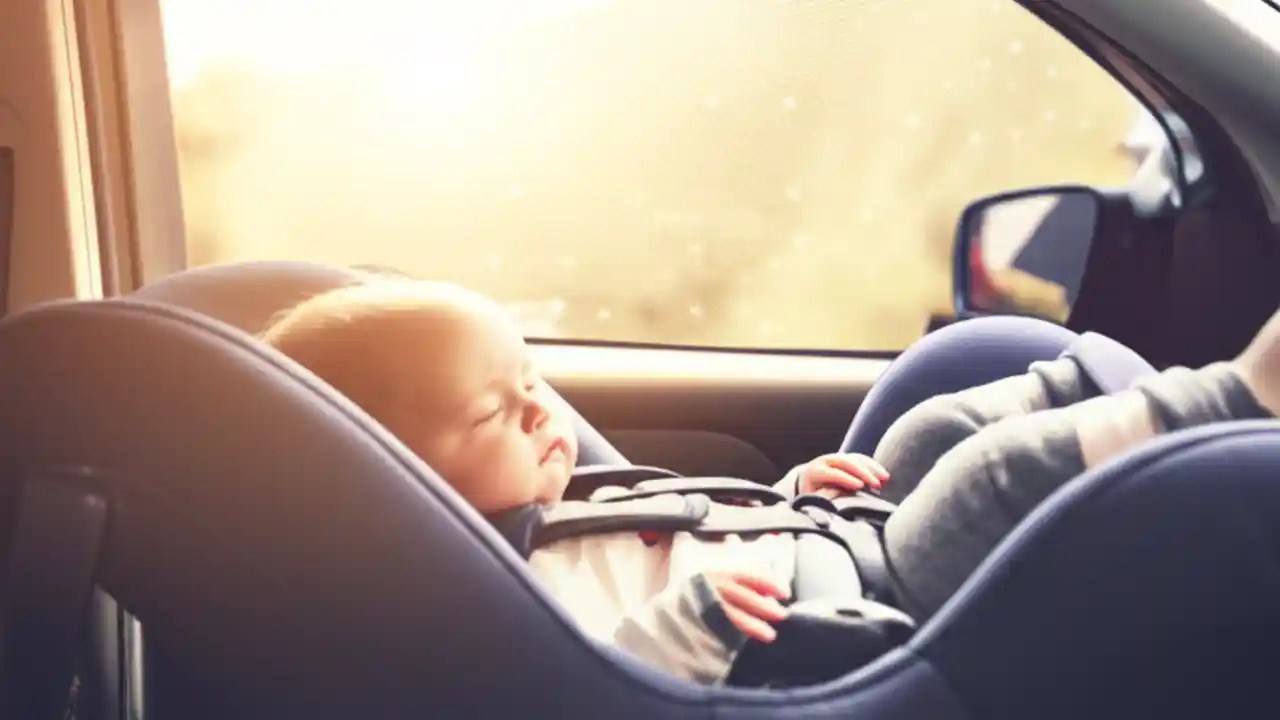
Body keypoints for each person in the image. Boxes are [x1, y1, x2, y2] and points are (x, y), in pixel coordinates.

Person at [260, 278, 1280, 683]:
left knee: (927, 425)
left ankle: (1108, 394)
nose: (541, 413)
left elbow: (674, 522)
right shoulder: (466, 609)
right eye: (494, 411)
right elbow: (565, 693)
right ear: (388, 485)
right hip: (846, 629)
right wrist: (680, 631)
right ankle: (1228, 404)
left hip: (817, 539)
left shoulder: (551, 504)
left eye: (533, 382)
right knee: (981, 481)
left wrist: (786, 493)